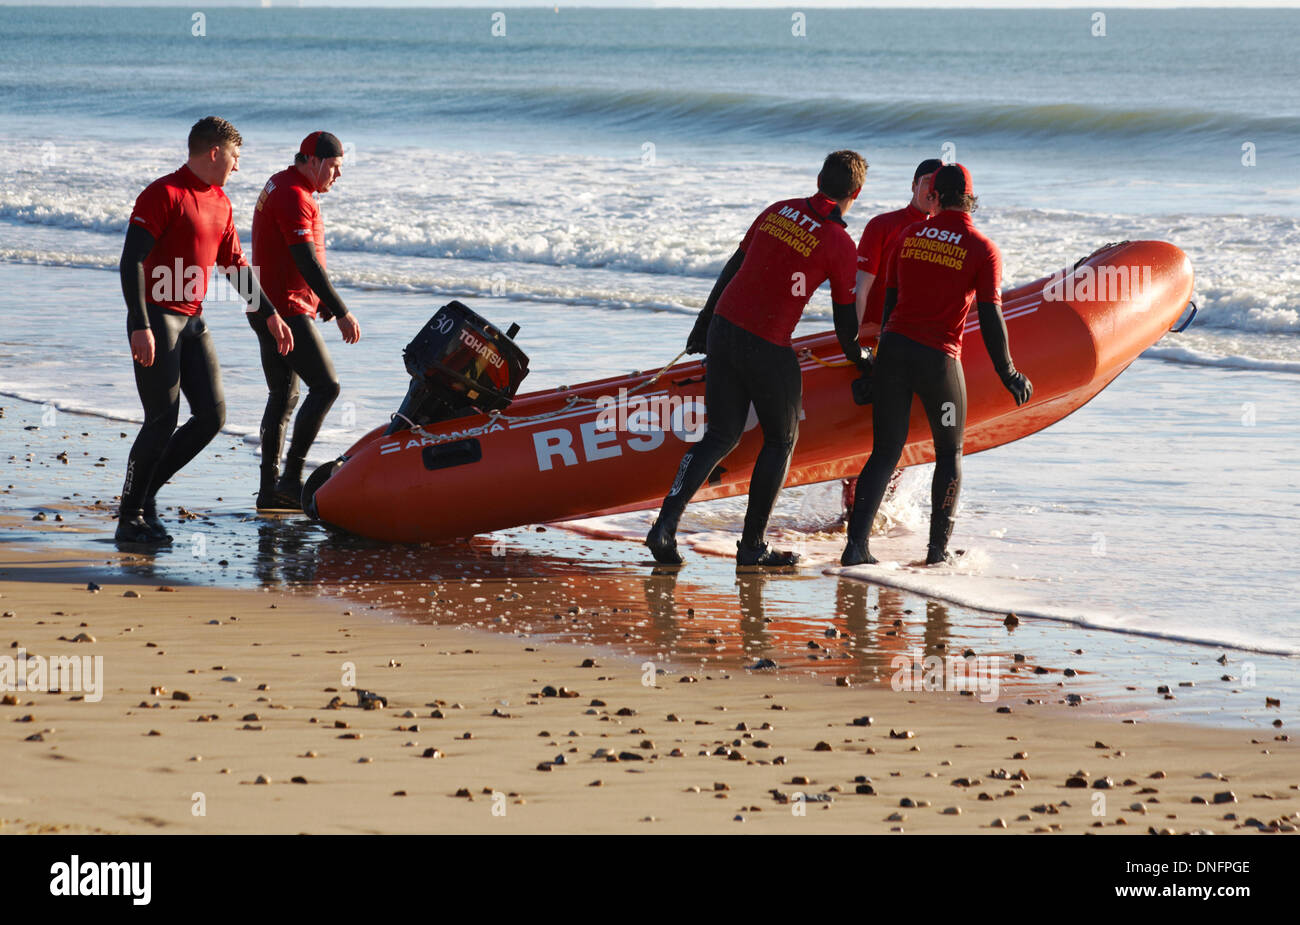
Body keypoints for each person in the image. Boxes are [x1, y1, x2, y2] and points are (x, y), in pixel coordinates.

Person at [645, 150, 868, 567]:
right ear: (856, 193)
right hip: (765, 344)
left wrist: (703, 324)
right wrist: (861, 357)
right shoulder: (840, 243)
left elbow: (734, 265)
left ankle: (663, 526)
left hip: (723, 330)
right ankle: (751, 548)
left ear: (818, 177)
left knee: (720, 435)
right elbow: (845, 324)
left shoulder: (778, 210)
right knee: (781, 440)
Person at [835, 163, 1032, 567]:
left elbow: (891, 301)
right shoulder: (981, 248)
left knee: (885, 452)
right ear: (971, 199)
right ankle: (936, 551)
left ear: (936, 197)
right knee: (949, 454)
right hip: (938, 361)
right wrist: (1008, 371)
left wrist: (882, 357)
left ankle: (856, 547)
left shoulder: (909, 234)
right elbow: (991, 317)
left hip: (894, 352)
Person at [117, 117, 293, 544]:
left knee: (212, 417)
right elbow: (131, 261)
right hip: (157, 316)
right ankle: (129, 517)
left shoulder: (221, 202)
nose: (237, 168)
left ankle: (146, 497)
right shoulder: (164, 193)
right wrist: (140, 323)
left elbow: (234, 265)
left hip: (193, 318)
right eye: (234, 157)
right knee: (162, 419)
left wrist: (269, 313)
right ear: (214, 152)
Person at [248, 131, 360, 512]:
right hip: (284, 309)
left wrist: (320, 304)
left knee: (283, 396)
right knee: (326, 387)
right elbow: (305, 261)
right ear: (312, 160)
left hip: (265, 303)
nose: (338, 176)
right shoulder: (295, 196)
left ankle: (270, 490)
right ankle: (291, 478)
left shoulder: (282, 183)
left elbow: (287, 255)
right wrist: (341, 309)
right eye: (334, 167)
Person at [841, 157, 944, 516]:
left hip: (920, 344)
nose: (932, 190)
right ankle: (853, 513)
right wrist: (853, 343)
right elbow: (861, 287)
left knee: (902, 434)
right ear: (913, 184)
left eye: (939, 183)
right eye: (927, 181)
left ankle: (878, 513)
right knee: (867, 432)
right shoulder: (884, 226)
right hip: (877, 340)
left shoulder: (949, 234)